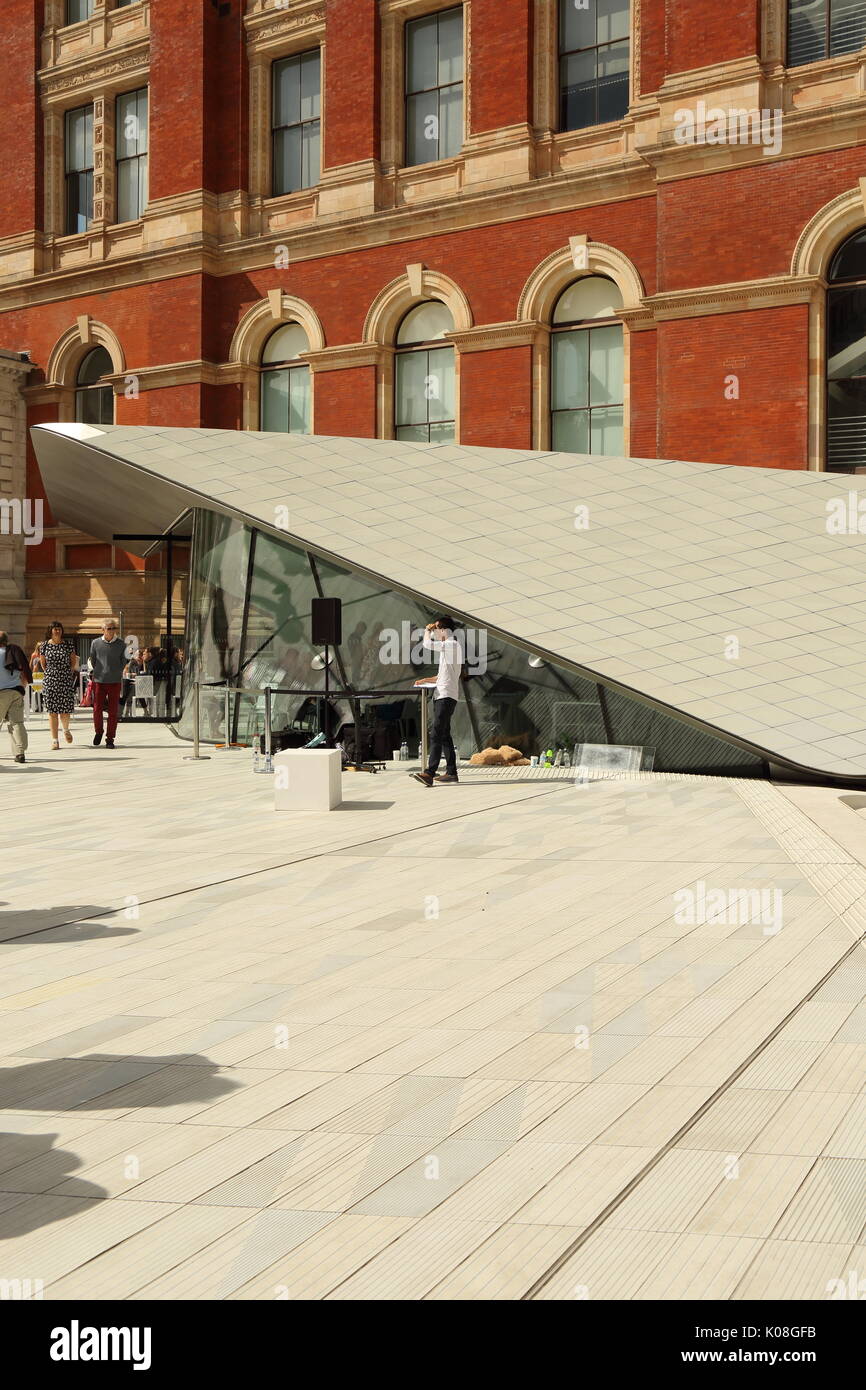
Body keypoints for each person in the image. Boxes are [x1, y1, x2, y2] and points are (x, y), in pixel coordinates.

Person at [412, 615, 463, 787]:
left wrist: (427, 629)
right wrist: (427, 679)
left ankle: (429, 773)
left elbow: (427, 644)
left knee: (436, 734)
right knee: (445, 735)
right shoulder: (449, 648)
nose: (434, 633)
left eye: (436, 630)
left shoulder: (451, 644)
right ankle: (451, 772)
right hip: (443, 694)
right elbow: (443, 676)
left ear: (442, 629)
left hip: (446, 697)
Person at [35, 620, 77, 750]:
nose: (57, 630)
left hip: (65, 680)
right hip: (50, 681)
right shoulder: (44, 646)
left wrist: (64, 673)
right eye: (55, 628)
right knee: (52, 712)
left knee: (64, 711)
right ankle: (55, 740)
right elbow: (43, 664)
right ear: (50, 631)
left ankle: (65, 730)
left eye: (59, 628)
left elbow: (73, 662)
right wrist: (53, 673)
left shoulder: (68, 645)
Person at [88, 619, 127, 748]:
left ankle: (110, 738)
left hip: (115, 681)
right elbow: (93, 660)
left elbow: (123, 661)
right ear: (102, 630)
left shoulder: (121, 644)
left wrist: (116, 670)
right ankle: (98, 732)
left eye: (113, 628)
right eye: (109, 628)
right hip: (99, 681)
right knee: (97, 709)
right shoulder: (95, 643)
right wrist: (100, 671)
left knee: (113, 711)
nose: (111, 631)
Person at [0, 631, 32, 764]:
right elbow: (25, 672)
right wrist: (22, 687)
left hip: (1, 693)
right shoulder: (14, 651)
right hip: (15, 692)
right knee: (17, 723)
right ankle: (20, 753)